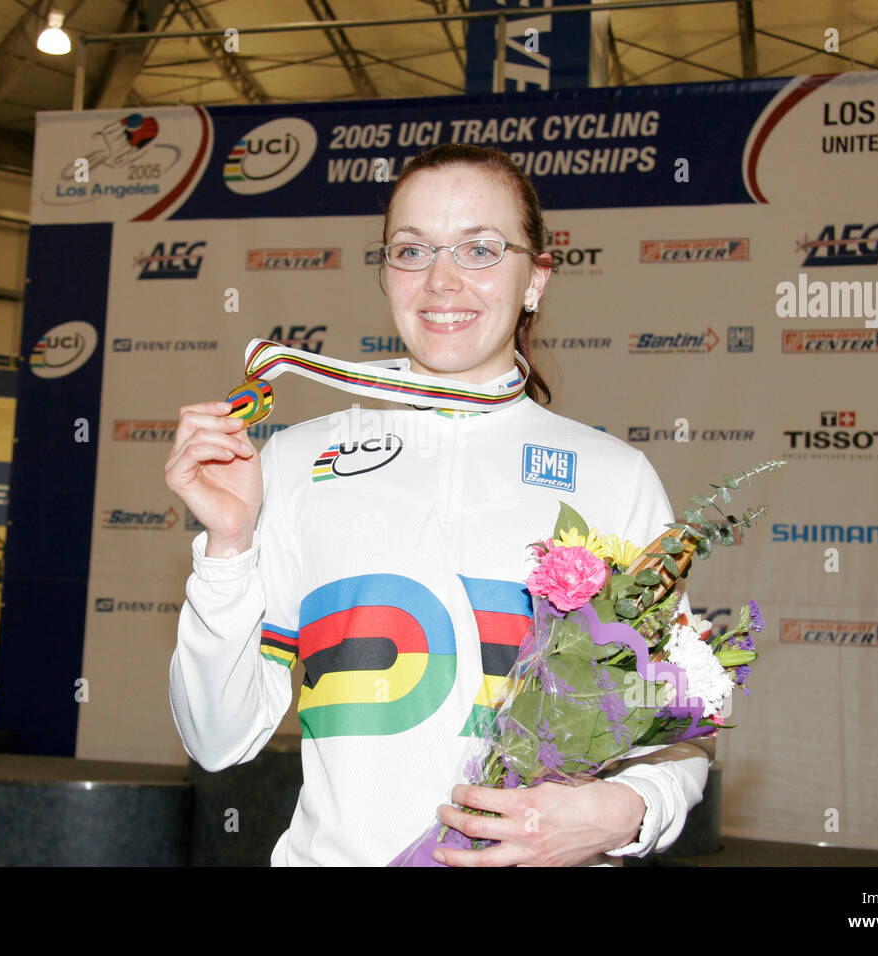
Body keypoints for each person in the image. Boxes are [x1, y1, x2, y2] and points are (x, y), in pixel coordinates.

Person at [166, 144, 714, 867]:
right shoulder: (294, 462)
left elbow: (681, 729)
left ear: (535, 280)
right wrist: (228, 551)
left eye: (481, 249)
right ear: (385, 272)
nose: (441, 280)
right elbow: (216, 739)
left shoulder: (615, 477)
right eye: (412, 249)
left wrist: (626, 810)